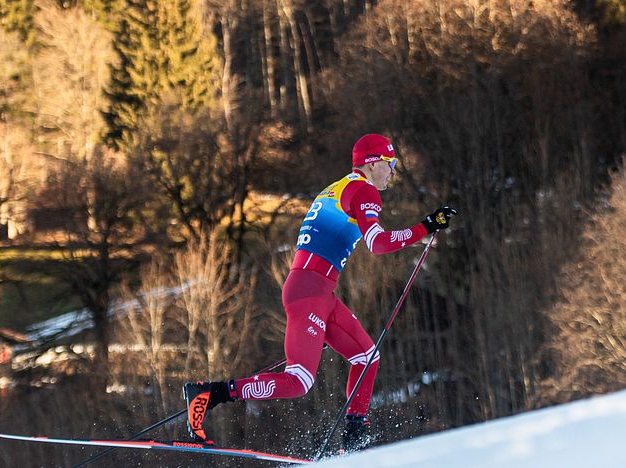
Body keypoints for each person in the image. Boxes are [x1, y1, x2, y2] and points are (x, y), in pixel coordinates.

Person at [182, 133, 457, 453]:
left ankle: (353, 437)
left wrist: (426, 227)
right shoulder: (364, 190)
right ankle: (211, 393)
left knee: (367, 358)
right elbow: (377, 243)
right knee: (299, 380)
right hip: (309, 292)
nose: (393, 172)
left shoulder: (339, 187)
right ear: (373, 163)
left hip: (318, 292)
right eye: (390, 164)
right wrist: (424, 227)